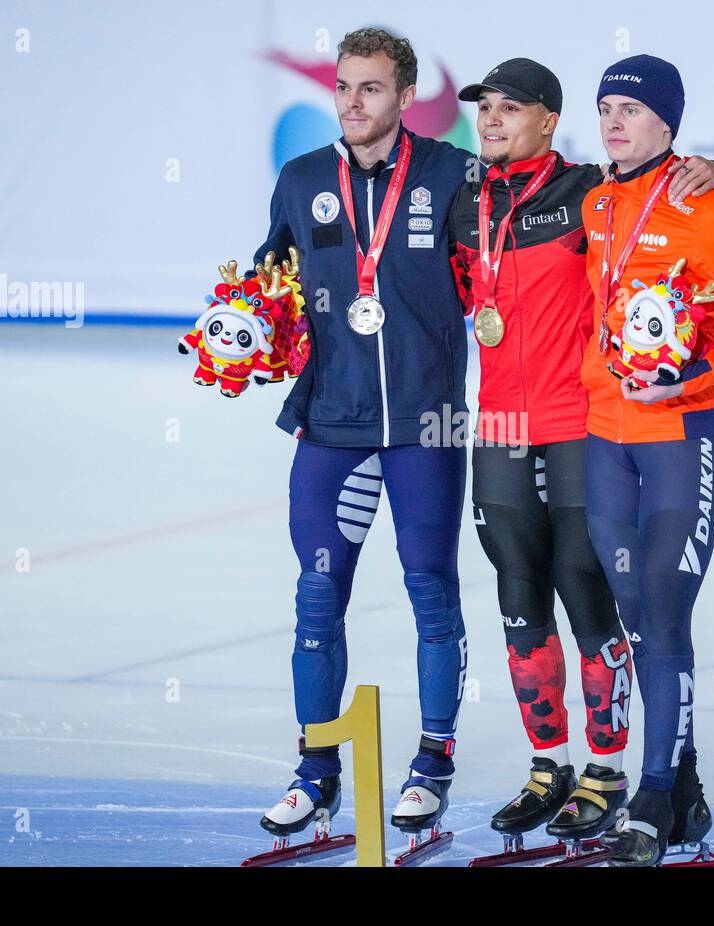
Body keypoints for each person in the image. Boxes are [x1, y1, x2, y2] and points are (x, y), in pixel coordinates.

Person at [447, 58, 714, 849]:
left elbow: (673, 207)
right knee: (516, 592)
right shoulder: (461, 199)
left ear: (549, 120)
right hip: (499, 422)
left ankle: (609, 772)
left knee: (587, 590)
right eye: (485, 109)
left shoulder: (587, 193)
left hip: (581, 421)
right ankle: (550, 765)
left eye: (513, 108)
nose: (494, 120)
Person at [250, 27, 472, 844]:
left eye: (370, 87)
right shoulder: (303, 178)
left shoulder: (453, 174)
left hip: (426, 424)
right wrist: (237, 322)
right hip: (331, 426)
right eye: (343, 85)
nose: (351, 100)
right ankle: (316, 772)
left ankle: (432, 765)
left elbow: (524, 249)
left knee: (431, 595)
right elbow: (266, 282)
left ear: (406, 97)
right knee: (316, 598)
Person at [578, 54, 714, 865]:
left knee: (664, 617)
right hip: (606, 436)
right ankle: (687, 791)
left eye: (631, 109)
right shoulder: (599, 203)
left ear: (669, 124)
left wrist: (699, 378)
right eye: (605, 107)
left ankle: (653, 797)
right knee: (638, 621)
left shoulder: (706, 209)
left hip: (681, 439)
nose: (614, 121)